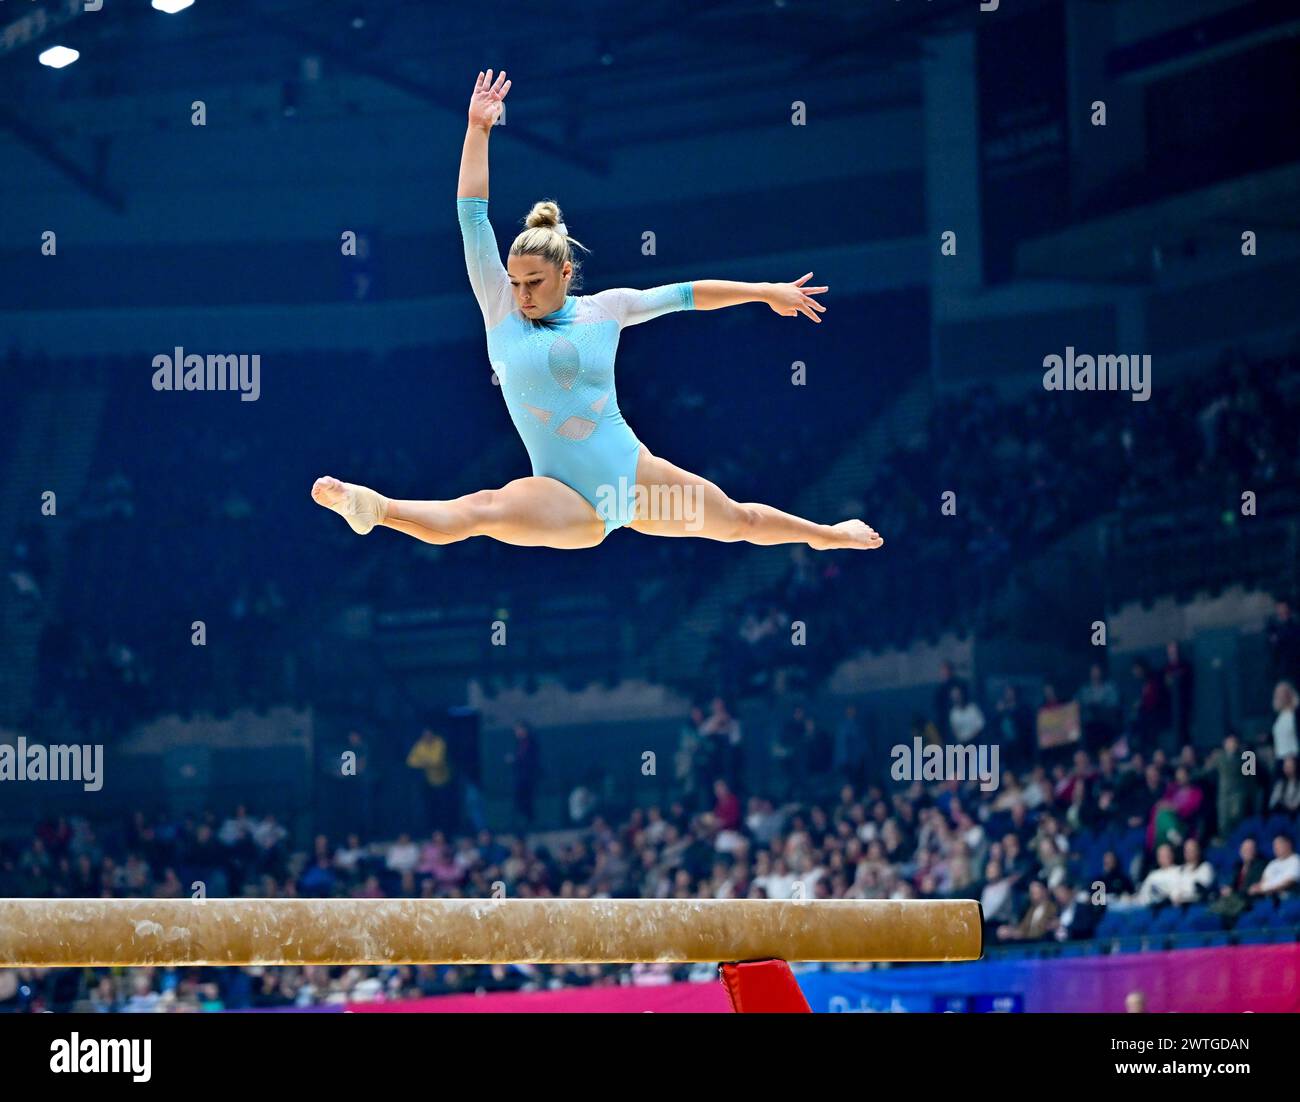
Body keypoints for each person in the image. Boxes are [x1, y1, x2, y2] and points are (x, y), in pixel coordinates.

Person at [313, 69, 883, 554]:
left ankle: (829, 534)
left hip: (631, 483)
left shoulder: (605, 311)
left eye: (534, 282)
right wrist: (477, 129)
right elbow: (472, 215)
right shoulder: (500, 309)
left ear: (565, 274)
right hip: (564, 498)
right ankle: (375, 507)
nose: (522, 293)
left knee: (741, 522)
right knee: (481, 509)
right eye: (514, 282)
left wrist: (762, 291)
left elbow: (688, 294)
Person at [406, 728, 454, 834]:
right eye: (425, 736)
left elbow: (437, 761)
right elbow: (410, 761)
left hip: (443, 782)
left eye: (429, 735)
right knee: (431, 809)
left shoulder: (440, 743)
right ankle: (433, 833)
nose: (427, 738)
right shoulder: (420, 745)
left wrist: (423, 761)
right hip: (429, 783)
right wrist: (427, 761)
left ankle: (447, 832)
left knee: (444, 809)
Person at [1271, 681, 1298, 762]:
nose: (1278, 696)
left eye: (1281, 693)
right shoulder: (1279, 717)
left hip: (1293, 758)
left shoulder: (1295, 714)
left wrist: (1290, 758)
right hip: (1280, 758)